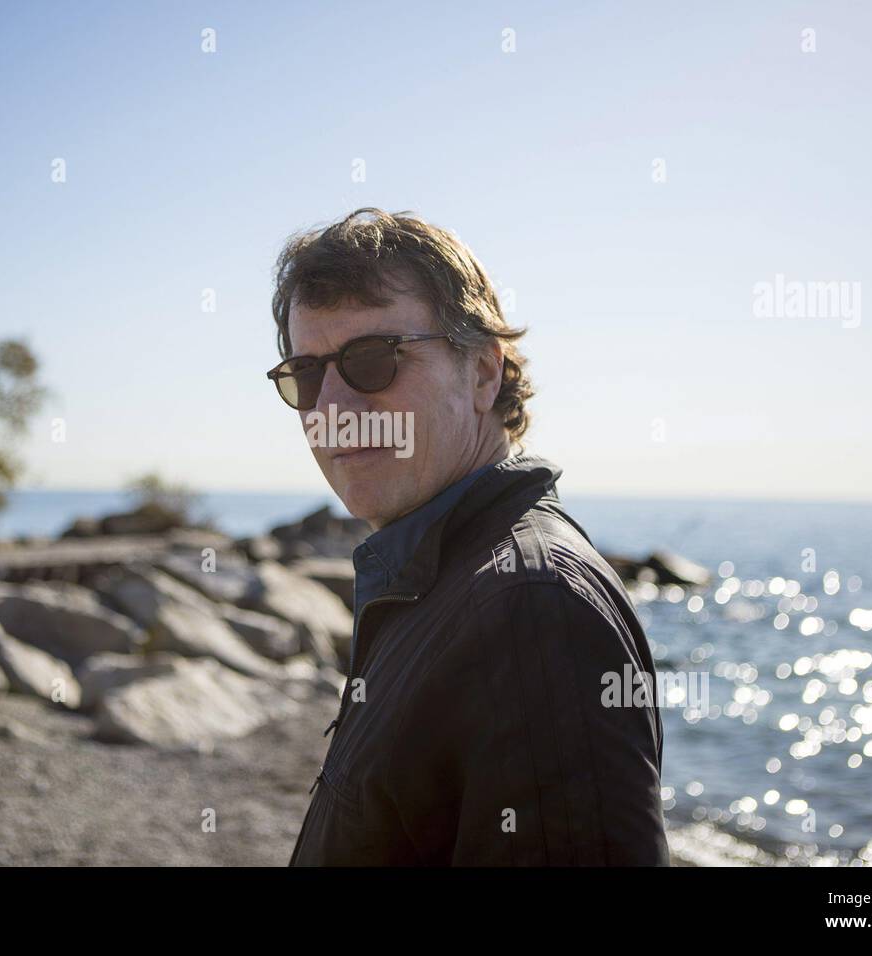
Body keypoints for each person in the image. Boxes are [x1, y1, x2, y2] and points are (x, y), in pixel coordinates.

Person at [266, 208, 669, 865]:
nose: (332, 410)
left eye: (373, 360)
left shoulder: (534, 608)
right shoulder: (437, 577)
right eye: (307, 375)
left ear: (483, 373)